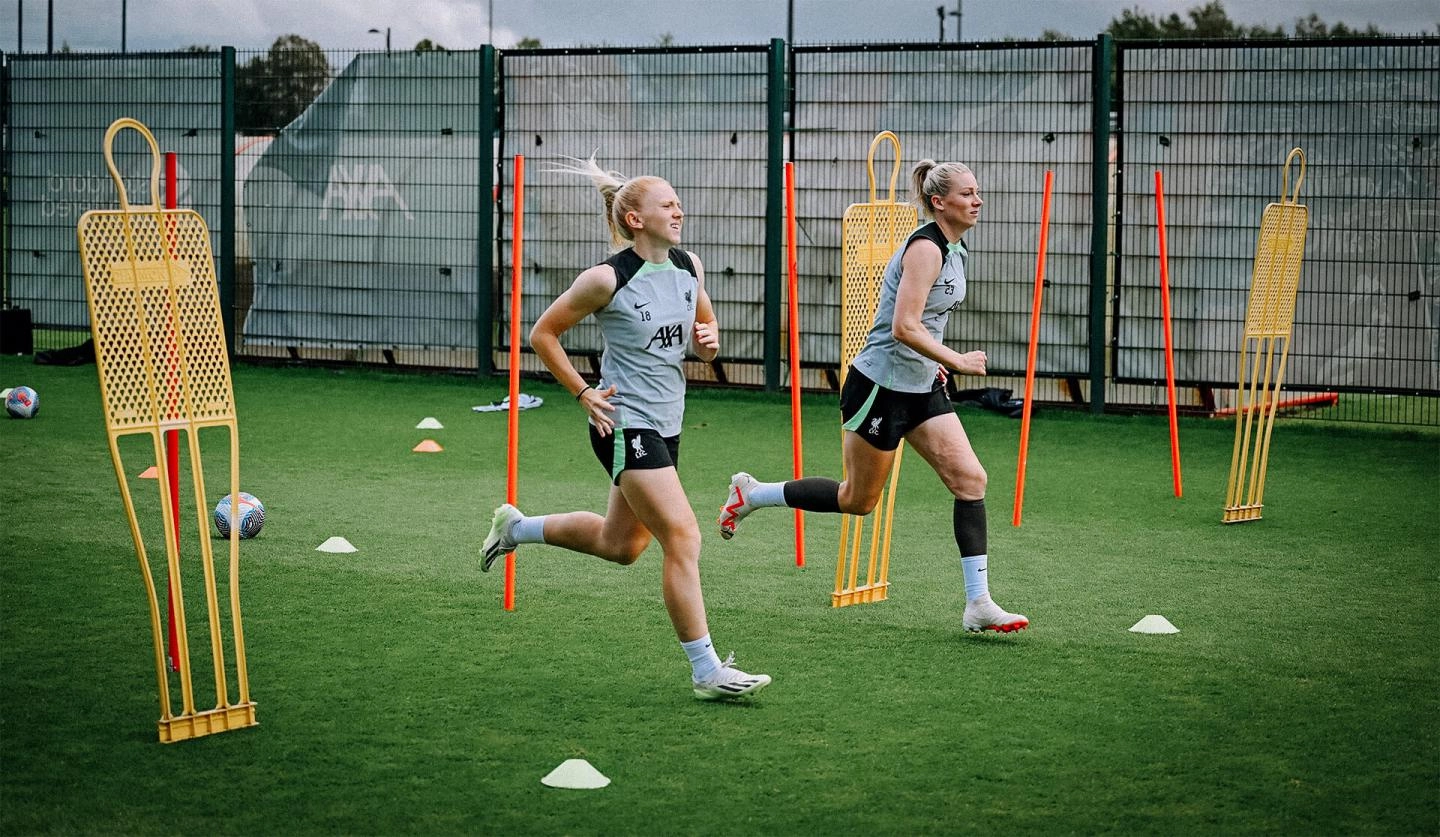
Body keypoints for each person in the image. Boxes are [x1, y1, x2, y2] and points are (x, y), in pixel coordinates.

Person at [481, 156, 771, 700]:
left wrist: (709, 342)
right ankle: (707, 670)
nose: (678, 209)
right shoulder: (605, 278)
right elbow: (544, 334)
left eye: (678, 201)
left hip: (668, 421)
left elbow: (703, 326)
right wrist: (584, 392)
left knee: (622, 546)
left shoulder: (689, 265)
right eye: (667, 203)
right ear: (635, 219)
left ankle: (515, 528)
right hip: (622, 421)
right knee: (683, 536)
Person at [717, 158, 1028, 634]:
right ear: (938, 202)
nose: (977, 200)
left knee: (971, 480)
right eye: (967, 194)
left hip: (922, 385)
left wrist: (935, 364)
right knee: (858, 500)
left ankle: (979, 604)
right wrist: (956, 358)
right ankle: (754, 494)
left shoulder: (956, 249)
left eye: (977, 191)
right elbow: (904, 327)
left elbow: (925, 321)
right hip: (879, 387)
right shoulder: (925, 248)